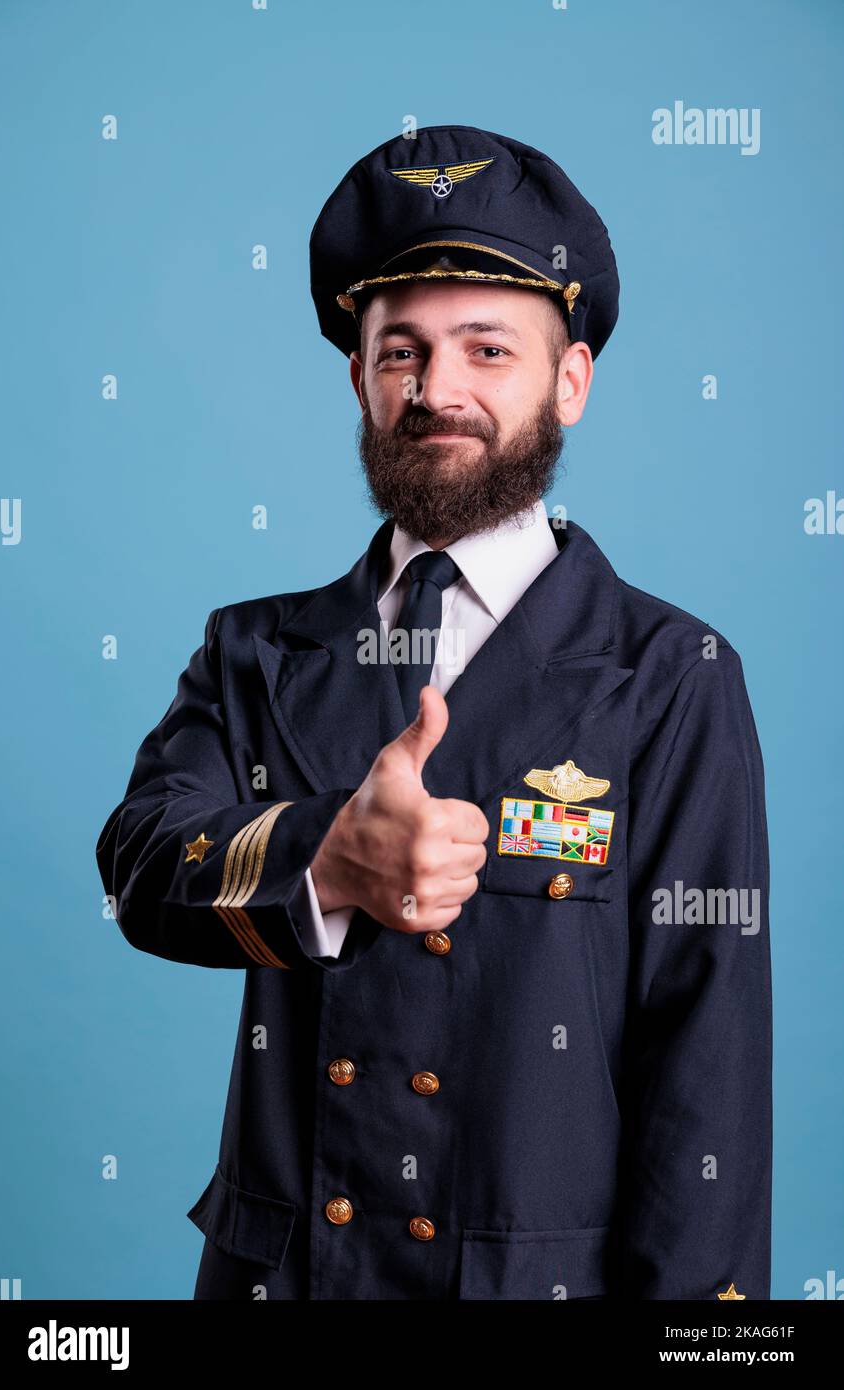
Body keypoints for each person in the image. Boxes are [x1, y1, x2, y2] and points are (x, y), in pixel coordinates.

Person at [96, 125, 772, 1301]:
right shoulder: (255, 650)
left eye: (485, 348)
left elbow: (705, 1069)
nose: (435, 389)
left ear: (569, 381)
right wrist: (328, 862)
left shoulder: (671, 675)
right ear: (357, 377)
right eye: (399, 349)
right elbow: (137, 869)